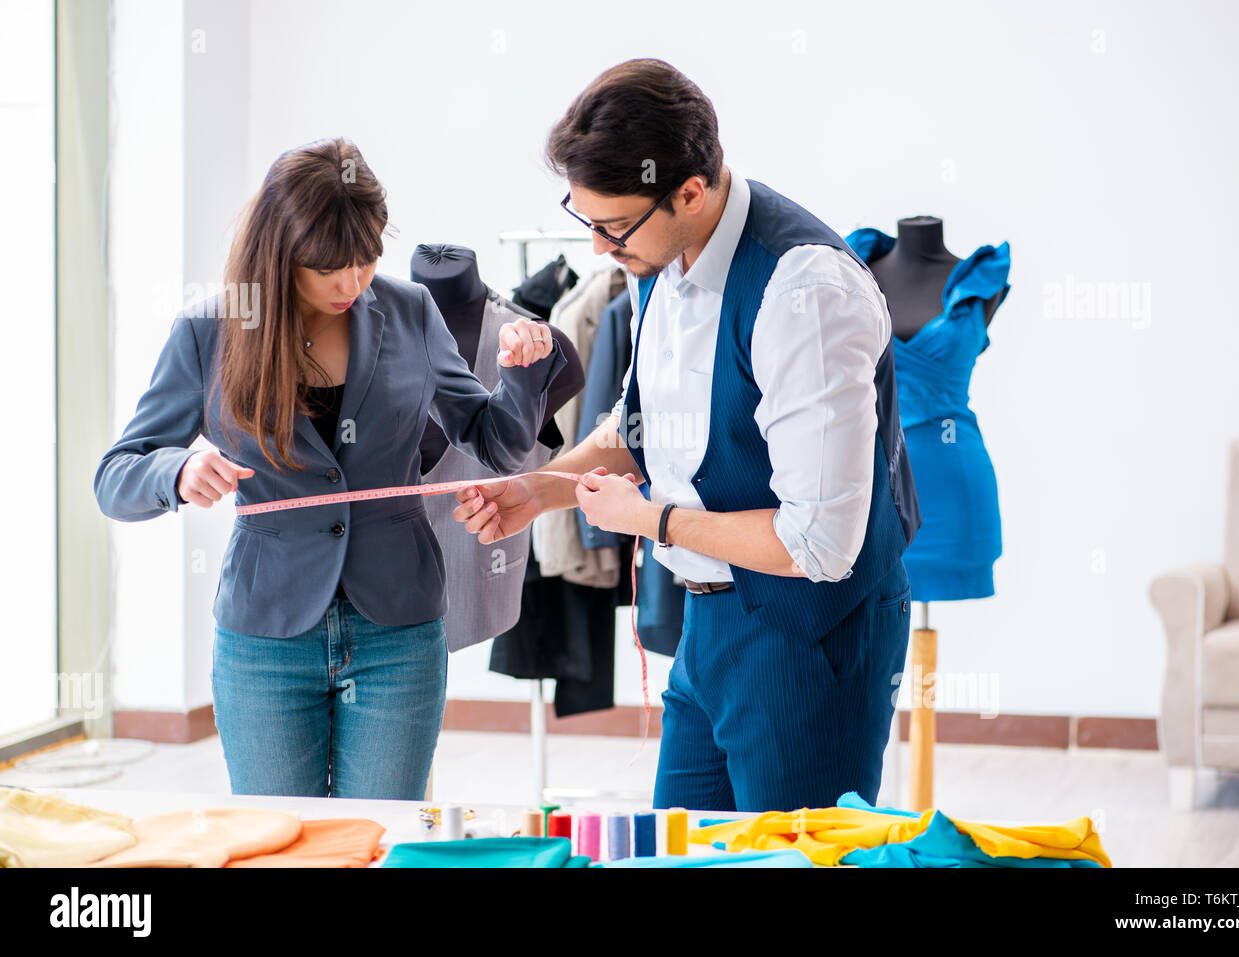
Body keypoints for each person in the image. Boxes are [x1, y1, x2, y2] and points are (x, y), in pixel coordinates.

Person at [453, 59, 921, 813]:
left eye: (612, 226)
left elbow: (820, 543)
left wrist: (649, 519)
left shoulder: (805, 293)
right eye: (587, 222)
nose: (600, 250)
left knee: (786, 866)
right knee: (679, 847)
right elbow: (642, 423)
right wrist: (543, 488)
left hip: (810, 635)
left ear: (691, 191)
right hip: (707, 625)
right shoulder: (660, 255)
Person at [94, 137, 565, 800]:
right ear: (280, 254)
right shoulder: (210, 331)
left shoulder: (411, 311)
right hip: (266, 638)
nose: (352, 282)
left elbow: (493, 441)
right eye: (329, 267)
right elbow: (116, 475)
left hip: (398, 633)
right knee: (285, 845)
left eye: (366, 258)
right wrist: (175, 471)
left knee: (381, 838)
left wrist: (522, 373)